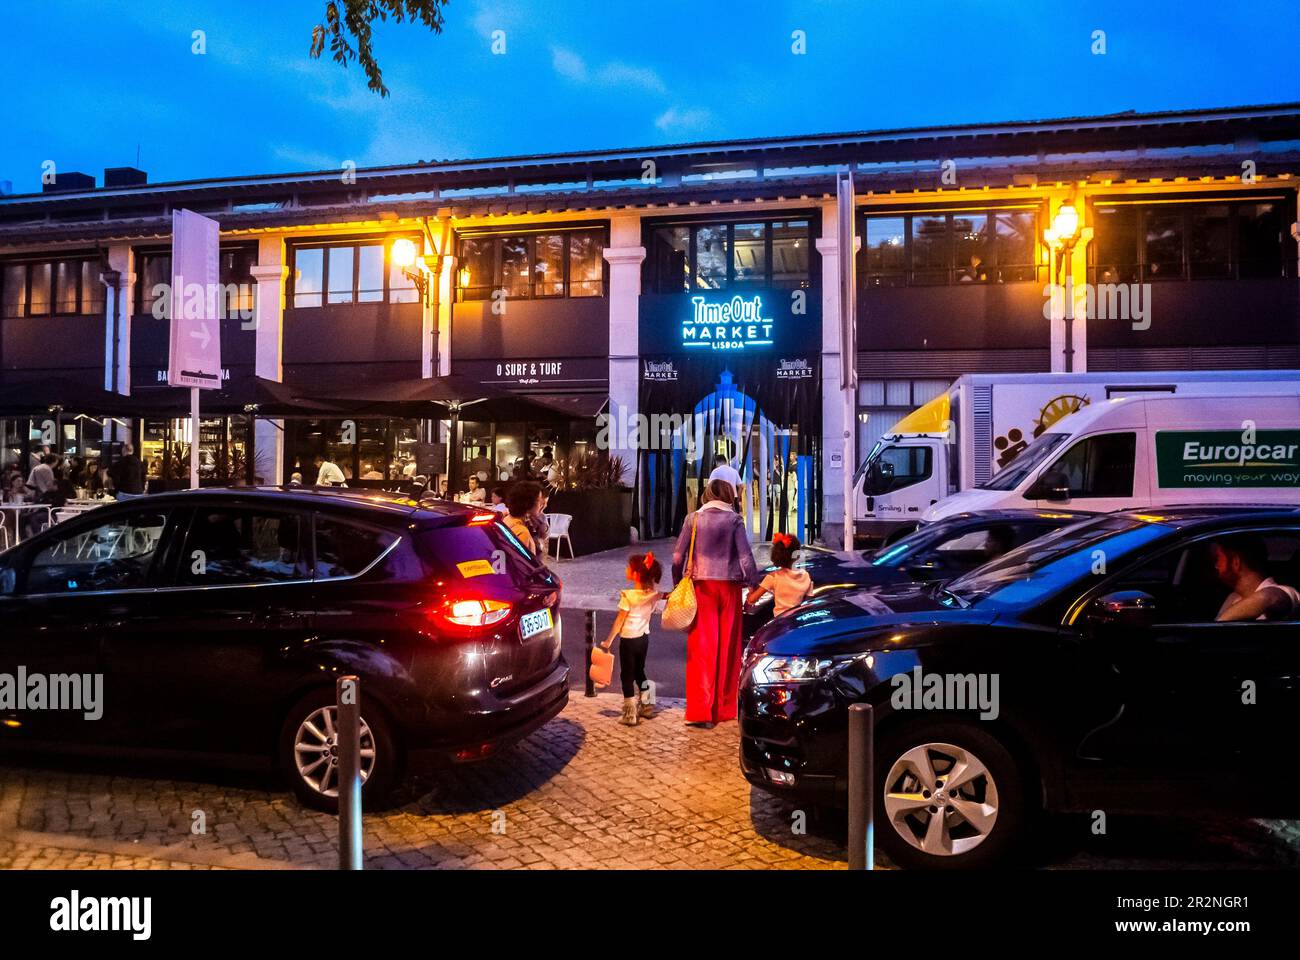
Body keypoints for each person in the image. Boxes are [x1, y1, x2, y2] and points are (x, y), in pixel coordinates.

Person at [671, 477, 760, 728]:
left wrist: (677, 581)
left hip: (702, 588)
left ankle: (701, 710)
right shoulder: (734, 520)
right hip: (729, 588)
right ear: (729, 495)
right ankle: (724, 708)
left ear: (708, 494)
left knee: (702, 649)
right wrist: (754, 583)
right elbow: (745, 557)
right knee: (728, 648)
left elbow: (678, 557)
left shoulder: (694, 519)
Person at [600, 552, 668, 726]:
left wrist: (608, 641)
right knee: (640, 671)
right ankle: (647, 706)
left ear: (636, 574)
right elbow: (667, 595)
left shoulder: (628, 596)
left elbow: (619, 622)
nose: (626, 569)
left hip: (629, 639)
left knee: (626, 675)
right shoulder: (653, 594)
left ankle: (629, 714)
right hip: (643, 639)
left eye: (628, 567)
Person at [1212, 535, 1300, 622]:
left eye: (1217, 558)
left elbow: (1268, 597)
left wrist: (1220, 623)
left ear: (1235, 561)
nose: (1215, 566)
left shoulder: (1285, 591)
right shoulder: (1233, 597)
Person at [746, 532, 813, 617]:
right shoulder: (806, 575)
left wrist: (751, 591)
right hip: (797, 620)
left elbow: (752, 600)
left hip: (780, 622)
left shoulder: (773, 577)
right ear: (797, 555)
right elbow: (809, 601)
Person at [504, 481, 542, 554]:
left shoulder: (507, 519)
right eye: (538, 500)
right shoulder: (522, 532)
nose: (541, 504)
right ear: (528, 503)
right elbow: (519, 563)